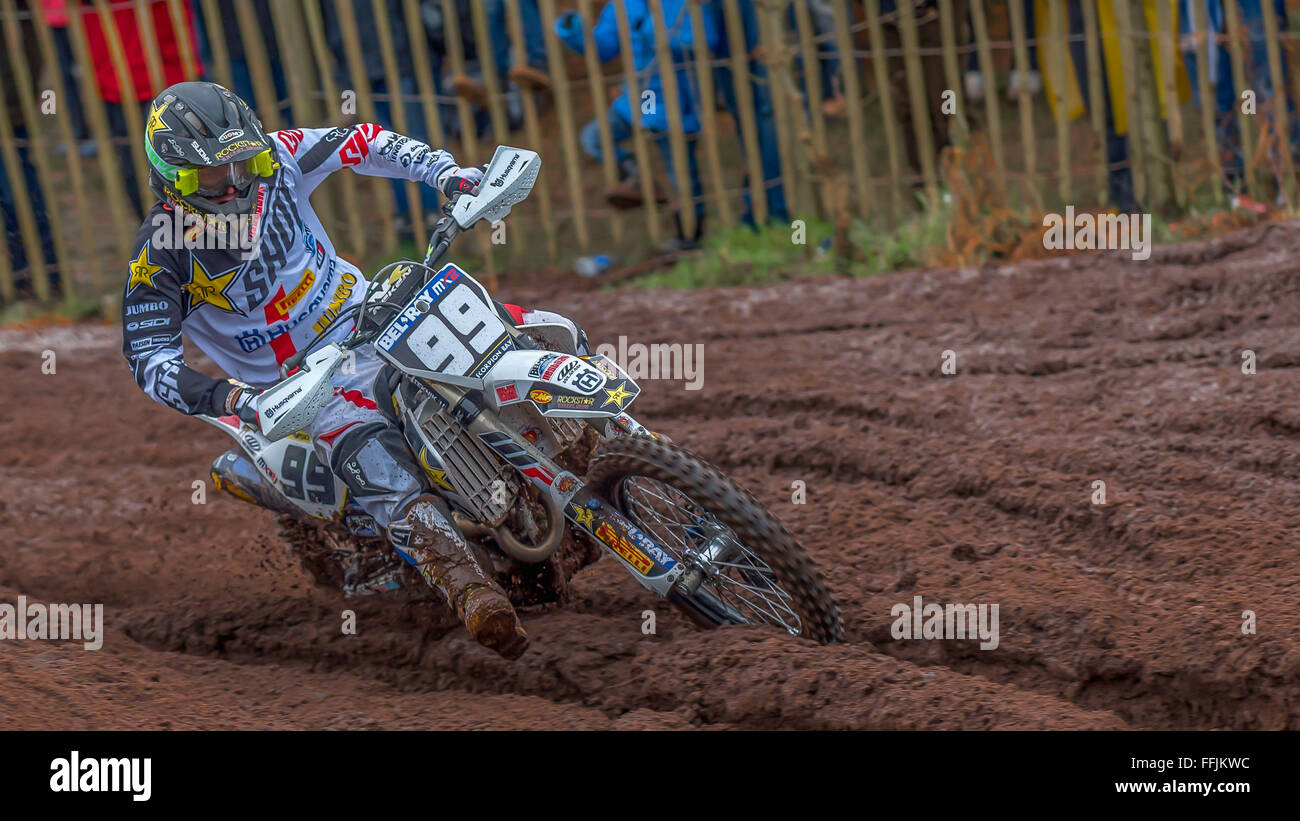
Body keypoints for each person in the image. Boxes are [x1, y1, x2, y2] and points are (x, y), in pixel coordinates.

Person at [121, 81, 582, 659]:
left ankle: (601, 437)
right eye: (215, 175)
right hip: (298, 386)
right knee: (366, 450)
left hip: (370, 313)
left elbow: (361, 140)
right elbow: (150, 360)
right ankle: (469, 592)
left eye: (246, 161)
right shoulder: (158, 256)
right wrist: (233, 399)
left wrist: (446, 173)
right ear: (174, 178)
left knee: (508, 327)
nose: (237, 182)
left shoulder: (282, 158)